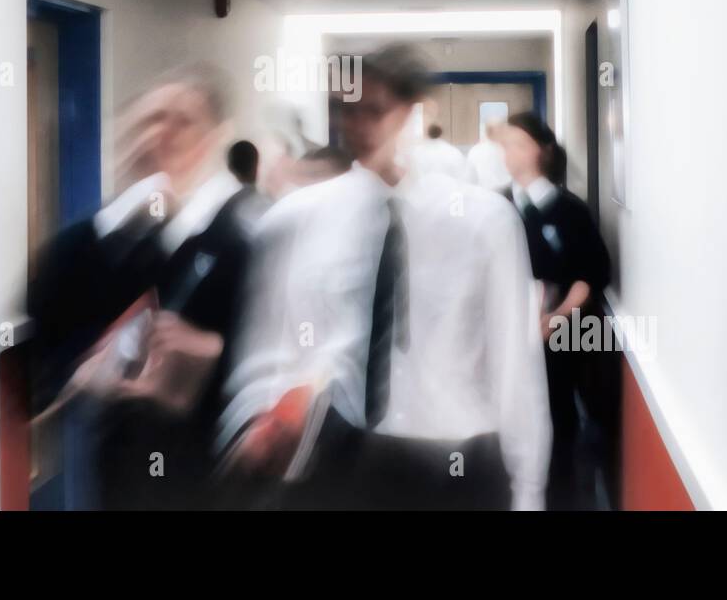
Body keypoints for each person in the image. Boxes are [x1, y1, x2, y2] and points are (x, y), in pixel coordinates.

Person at [219, 44, 551, 510]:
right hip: (350, 461)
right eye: (347, 111)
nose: (360, 126)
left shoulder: (485, 221)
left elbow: (517, 367)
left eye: (375, 110)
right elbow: (273, 345)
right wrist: (263, 417)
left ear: (409, 112)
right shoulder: (301, 219)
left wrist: (529, 493)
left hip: (463, 462)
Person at [28, 64, 253, 509]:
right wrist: (80, 370)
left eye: (182, 120)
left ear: (213, 137)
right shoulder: (118, 233)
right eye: (150, 119)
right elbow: (49, 318)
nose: (162, 134)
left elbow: (278, 357)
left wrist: (214, 352)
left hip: (211, 474)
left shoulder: (243, 232)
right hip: (121, 463)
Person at [498, 111, 611, 509]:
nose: (508, 152)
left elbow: (592, 272)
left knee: (556, 416)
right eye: (505, 144)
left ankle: (559, 494)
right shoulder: (496, 206)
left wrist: (557, 317)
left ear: (542, 150)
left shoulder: (569, 211)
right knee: (511, 419)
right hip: (508, 334)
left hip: (559, 335)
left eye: (518, 143)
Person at [466, 120, 511, 191]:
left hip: (480, 191)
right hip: (503, 192)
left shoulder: (474, 150)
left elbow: (469, 175)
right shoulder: (506, 150)